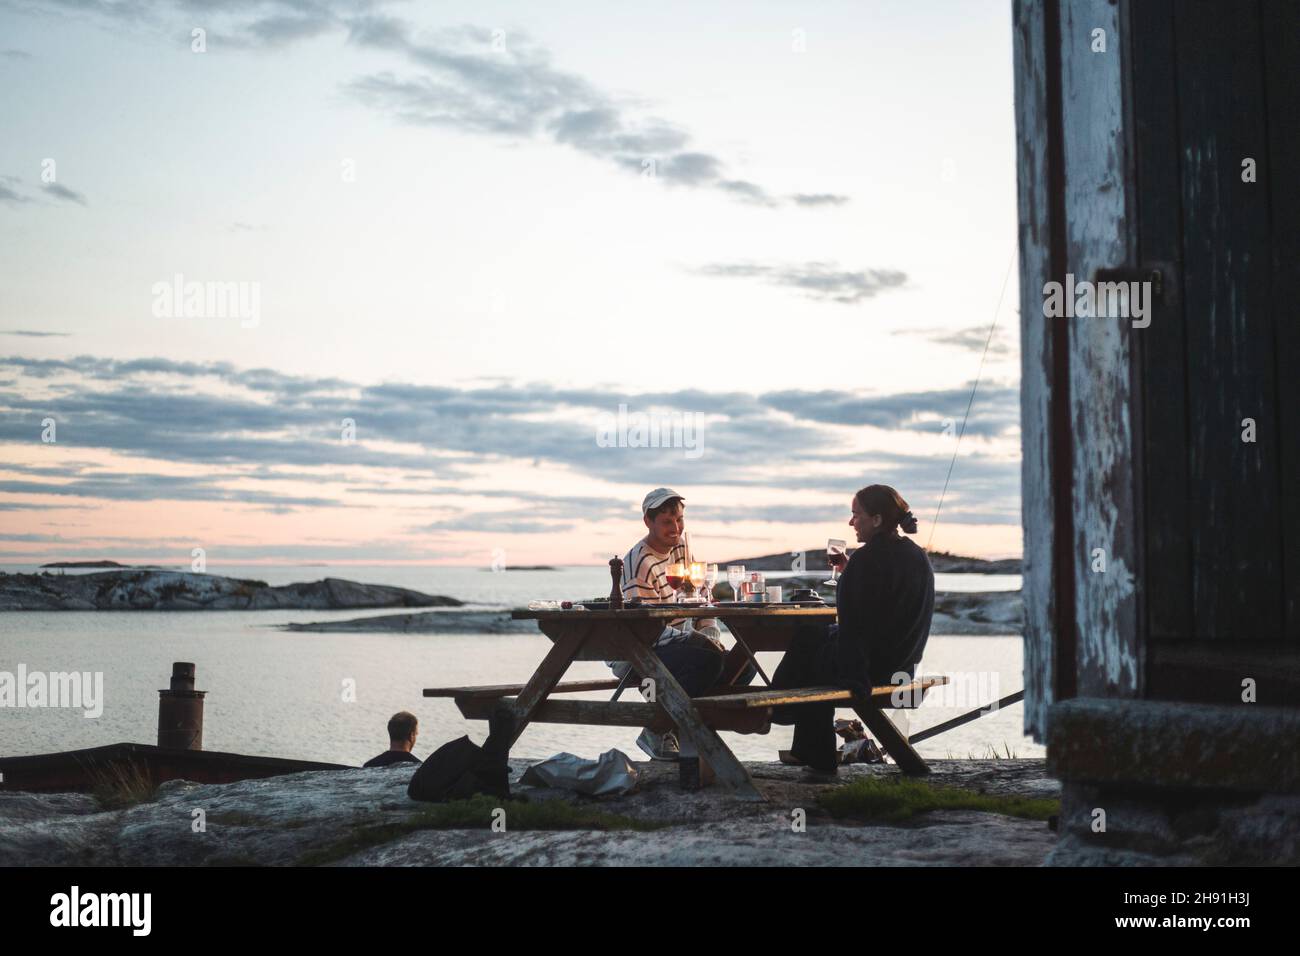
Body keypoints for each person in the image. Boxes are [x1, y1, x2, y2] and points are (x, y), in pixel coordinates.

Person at [770, 484, 934, 777]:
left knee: (811, 654)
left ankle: (780, 713)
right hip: (903, 666)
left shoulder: (867, 559)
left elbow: (852, 629)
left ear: (877, 519)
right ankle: (797, 735)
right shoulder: (916, 555)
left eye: (856, 515)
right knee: (814, 638)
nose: (851, 522)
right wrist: (851, 573)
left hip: (871, 672)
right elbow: (882, 610)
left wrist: (855, 679)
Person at [610, 487, 755, 760]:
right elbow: (644, 628)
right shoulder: (639, 562)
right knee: (708, 662)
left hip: (680, 641)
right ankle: (658, 729)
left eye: (679, 520)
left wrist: (710, 634)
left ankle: (692, 727)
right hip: (641, 649)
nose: (676, 528)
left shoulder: (681, 548)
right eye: (667, 522)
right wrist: (696, 641)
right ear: (648, 522)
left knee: (744, 663)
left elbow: (701, 597)